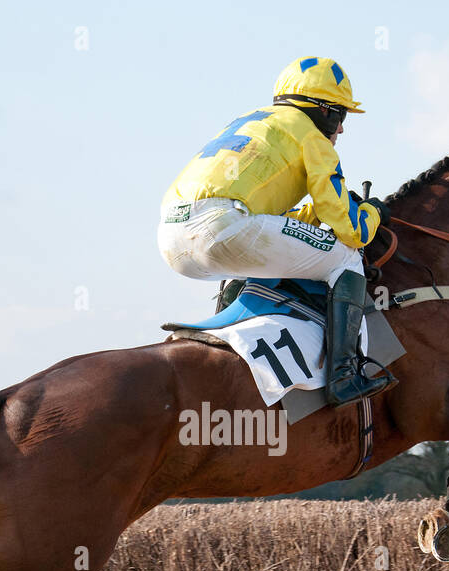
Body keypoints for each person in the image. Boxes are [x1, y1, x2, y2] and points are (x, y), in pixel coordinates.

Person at [158, 56, 394, 407]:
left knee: (259, 255)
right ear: (326, 111)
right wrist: (372, 212)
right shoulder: (314, 139)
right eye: (342, 115)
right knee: (344, 258)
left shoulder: (249, 121)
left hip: (171, 237)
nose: (341, 129)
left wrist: (313, 212)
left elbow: (278, 219)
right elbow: (351, 231)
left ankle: (231, 326)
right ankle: (345, 376)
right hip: (225, 227)